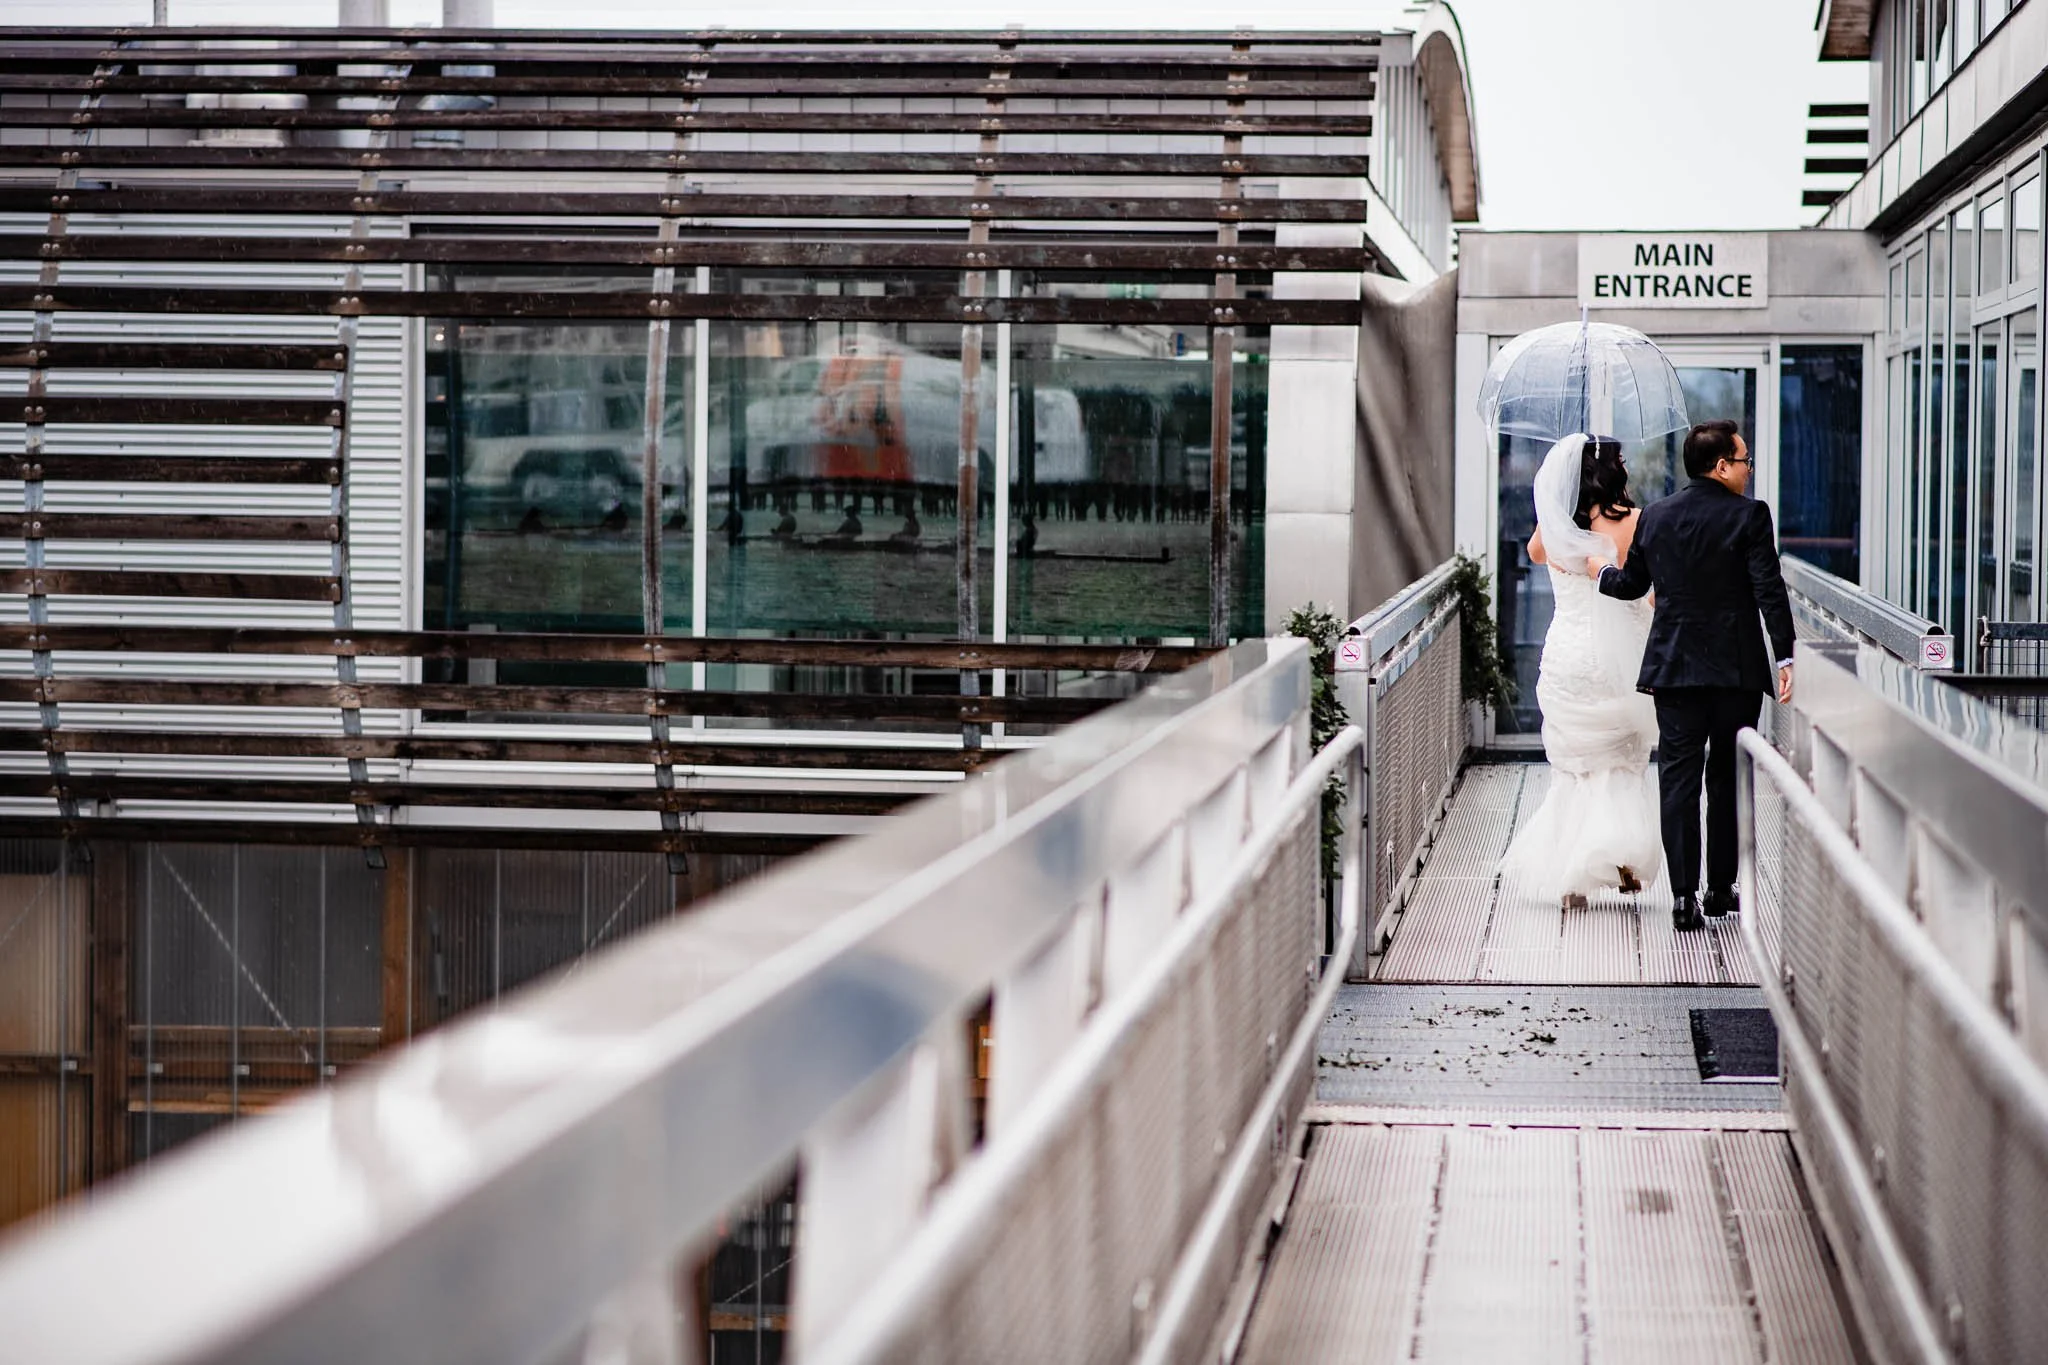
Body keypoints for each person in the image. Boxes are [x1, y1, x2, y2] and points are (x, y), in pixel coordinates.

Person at [1589, 420, 1795, 932]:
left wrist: (1601, 574)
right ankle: (1721, 889)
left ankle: (1684, 898)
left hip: (1675, 669)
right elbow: (1769, 589)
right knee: (1726, 778)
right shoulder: (1750, 516)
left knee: (1678, 782)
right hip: (1735, 671)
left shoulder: (1656, 515)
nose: (1748, 470)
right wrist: (1786, 657)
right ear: (1722, 466)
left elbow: (1632, 585)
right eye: (1745, 461)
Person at [1500, 434, 1661, 911]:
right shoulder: (1634, 522)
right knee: (1621, 762)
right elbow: (1647, 590)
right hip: (1619, 658)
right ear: (1608, 471)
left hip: (1567, 657)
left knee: (1572, 769)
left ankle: (1572, 878)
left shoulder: (1554, 527)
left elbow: (1536, 552)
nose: (1626, 466)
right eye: (1621, 460)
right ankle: (1621, 860)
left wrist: (1557, 507)